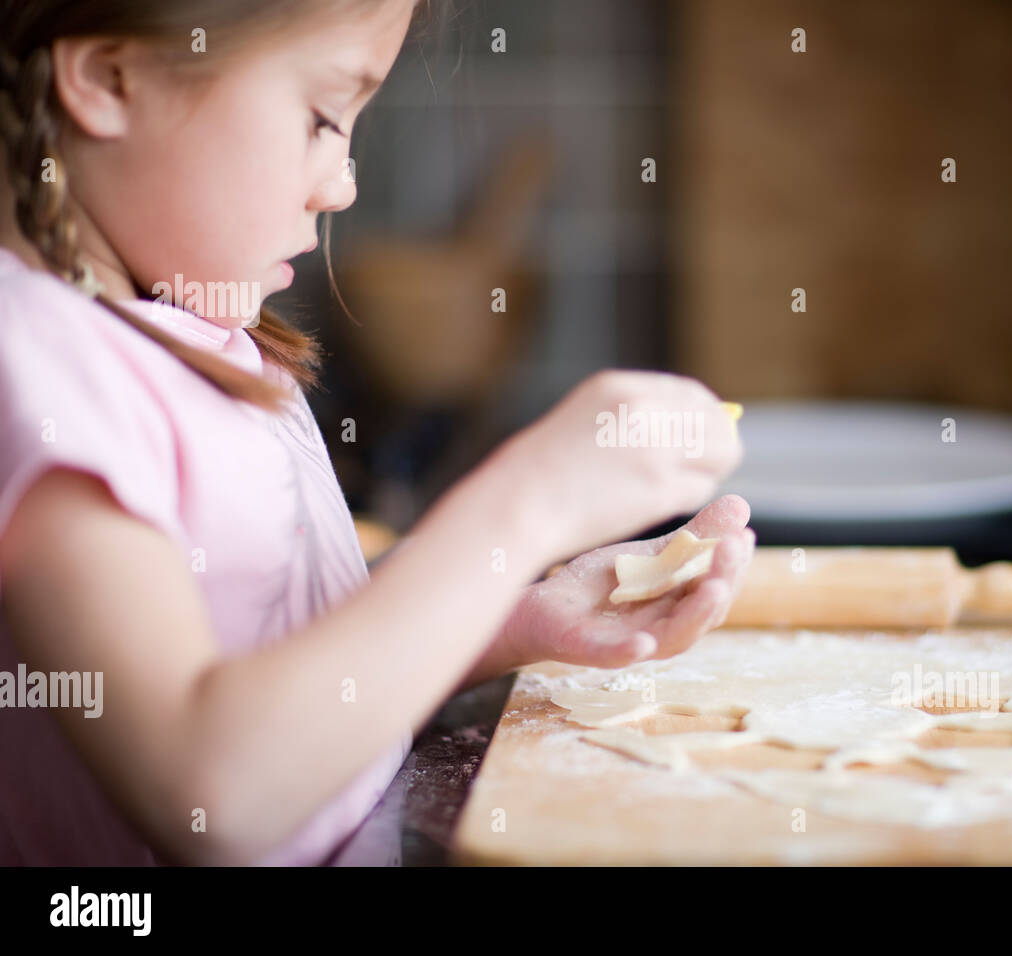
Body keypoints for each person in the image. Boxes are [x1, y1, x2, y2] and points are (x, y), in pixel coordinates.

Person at [0, 0, 755, 865]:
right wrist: (525, 505)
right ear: (108, 78)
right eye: (324, 116)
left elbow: (294, 670)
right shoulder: (38, 358)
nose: (344, 184)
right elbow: (211, 786)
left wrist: (506, 614)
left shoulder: (198, 341)